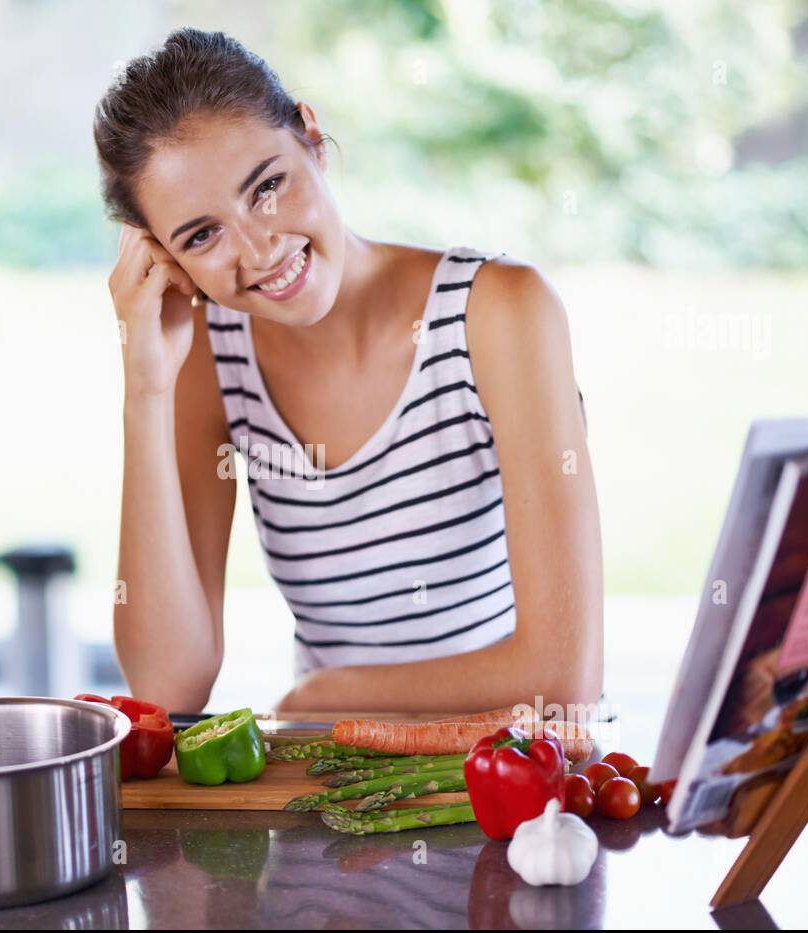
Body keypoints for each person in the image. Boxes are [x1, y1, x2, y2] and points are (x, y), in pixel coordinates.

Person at [96, 28, 602, 714]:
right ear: (165, 256)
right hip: (343, 785)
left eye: (267, 186)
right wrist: (145, 390)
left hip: (518, 779)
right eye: (201, 235)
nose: (260, 249)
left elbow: (564, 676)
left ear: (311, 136)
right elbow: (168, 686)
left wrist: (330, 697)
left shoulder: (498, 312)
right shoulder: (211, 353)